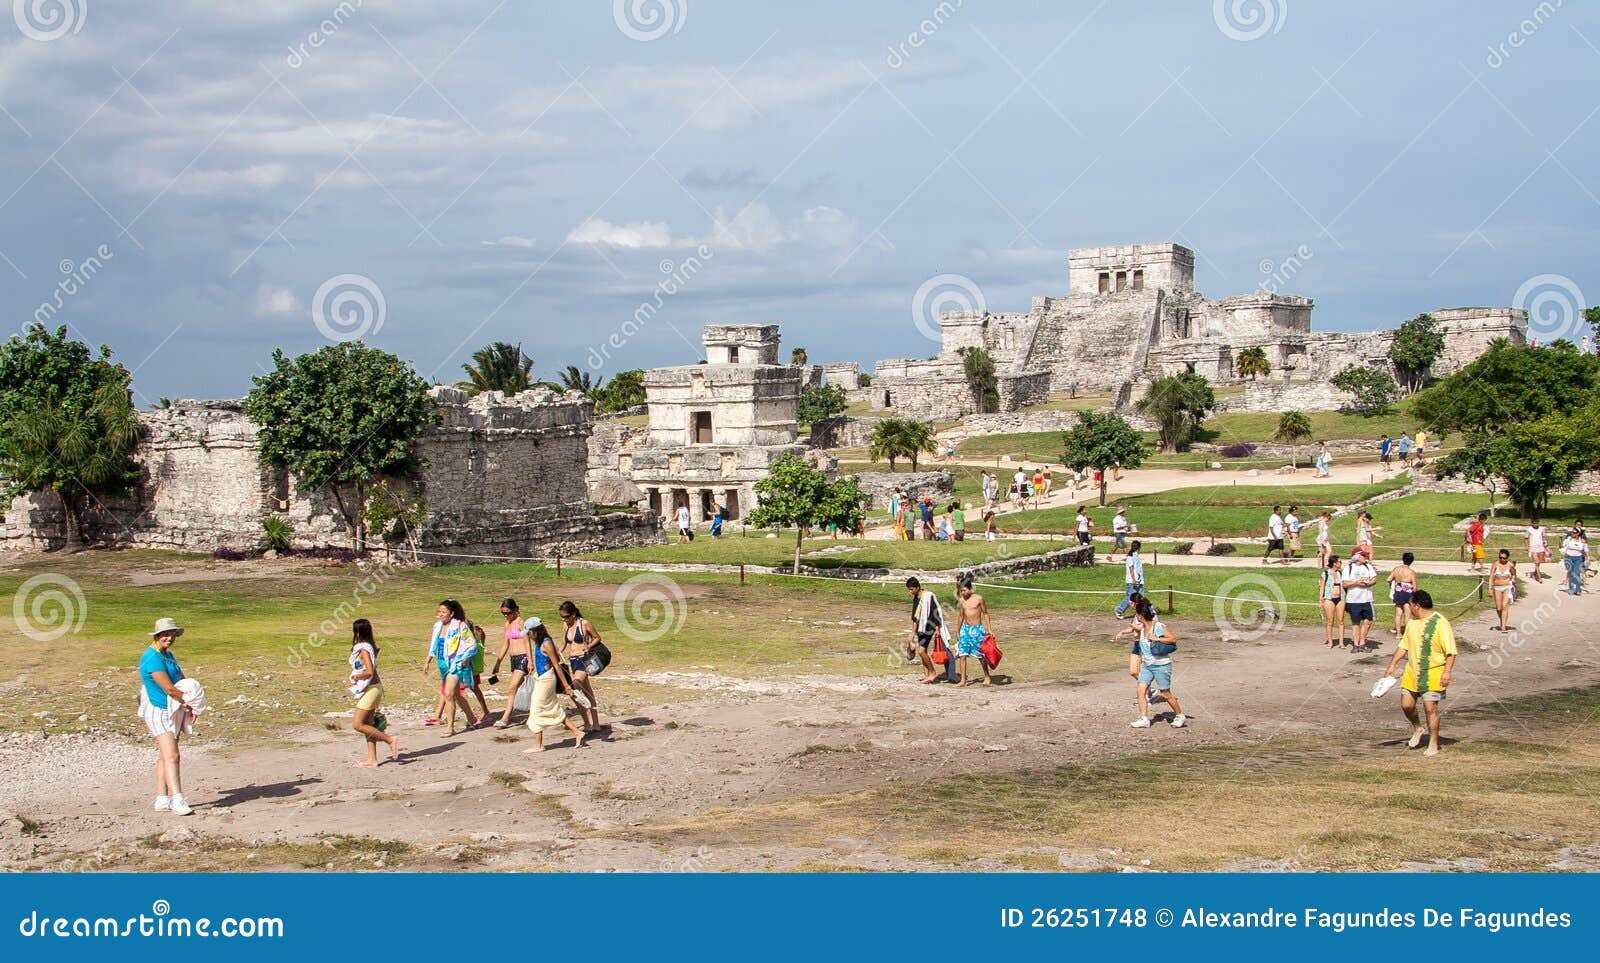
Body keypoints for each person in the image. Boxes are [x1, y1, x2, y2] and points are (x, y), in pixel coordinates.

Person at [1380, 590, 1457, 757]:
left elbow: (1451, 651)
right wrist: (1392, 664)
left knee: (1430, 708)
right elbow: (1403, 646)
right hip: (1412, 673)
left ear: (1417, 605)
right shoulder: (1412, 624)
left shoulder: (1440, 623)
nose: (1409, 607)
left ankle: (1433, 743)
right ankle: (1418, 728)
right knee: (1407, 705)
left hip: (1433, 673)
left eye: (1410, 604)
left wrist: (1447, 672)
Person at [140, 617, 193, 816]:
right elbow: (169, 689)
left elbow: (181, 679)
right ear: (157, 635)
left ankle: (162, 798)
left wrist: (189, 701)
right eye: (165, 634)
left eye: (172, 634)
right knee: (173, 755)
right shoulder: (152, 658)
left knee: (165, 755)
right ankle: (177, 798)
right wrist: (189, 702)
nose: (169, 638)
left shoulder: (167, 655)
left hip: (172, 709)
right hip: (158, 709)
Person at [521, 620, 588, 752]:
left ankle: (538, 745)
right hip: (541, 677)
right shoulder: (540, 642)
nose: (528, 635)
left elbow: (557, 665)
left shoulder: (546, 643)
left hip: (546, 680)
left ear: (535, 631)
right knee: (552, 708)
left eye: (529, 633)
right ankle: (577, 732)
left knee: (536, 708)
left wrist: (566, 686)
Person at [348, 619, 400, 767]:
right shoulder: (371, 646)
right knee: (368, 724)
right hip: (375, 688)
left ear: (357, 632)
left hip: (371, 689)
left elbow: (369, 671)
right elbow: (377, 650)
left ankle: (390, 740)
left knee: (358, 724)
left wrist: (355, 676)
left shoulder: (364, 650)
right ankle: (372, 759)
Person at [1129, 599, 1186, 729]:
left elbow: (1173, 639)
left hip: (1161, 665)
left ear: (1140, 616)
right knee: (1140, 691)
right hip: (1147, 665)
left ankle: (1179, 715)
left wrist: (1157, 638)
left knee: (1165, 693)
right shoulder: (1142, 628)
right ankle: (1144, 718)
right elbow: (1139, 638)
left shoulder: (1158, 626)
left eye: (1136, 615)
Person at [426, 600, 478, 731]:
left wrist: (465, 658)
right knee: (456, 695)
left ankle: (450, 727)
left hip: (455, 664)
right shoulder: (437, 626)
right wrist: (427, 661)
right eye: (439, 612)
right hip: (442, 664)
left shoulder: (460, 626)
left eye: (444, 612)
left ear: (451, 613)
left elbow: (472, 644)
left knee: (448, 694)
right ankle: (472, 718)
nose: (441, 614)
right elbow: (434, 645)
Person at [557, 601, 604, 731]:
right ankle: (591, 724)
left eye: (566, 616)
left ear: (573, 614)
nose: (564, 619)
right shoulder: (565, 626)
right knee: (587, 692)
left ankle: (591, 720)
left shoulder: (584, 623)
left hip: (584, 659)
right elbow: (564, 643)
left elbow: (597, 637)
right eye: (562, 617)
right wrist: (557, 652)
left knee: (575, 685)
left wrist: (588, 646)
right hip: (573, 660)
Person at [490, 598, 534, 729]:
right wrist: (498, 661)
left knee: (512, 687)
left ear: (515, 610)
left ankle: (505, 717)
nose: (506, 616)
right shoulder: (507, 624)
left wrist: (530, 661)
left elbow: (527, 642)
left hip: (522, 658)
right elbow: (505, 644)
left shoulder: (521, 622)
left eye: (508, 613)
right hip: (513, 659)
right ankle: (535, 713)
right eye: (503, 613)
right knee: (521, 688)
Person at [907, 577, 954, 684]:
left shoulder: (928, 596)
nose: (910, 592)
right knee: (923, 652)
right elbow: (915, 617)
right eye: (909, 589)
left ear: (917, 587)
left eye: (911, 589)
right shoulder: (915, 598)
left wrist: (937, 628)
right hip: (920, 628)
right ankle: (926, 676)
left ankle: (932, 673)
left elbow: (936, 612)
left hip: (929, 627)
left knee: (921, 651)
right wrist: (912, 633)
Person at [953, 574, 993, 687]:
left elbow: (985, 614)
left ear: (970, 588)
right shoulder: (962, 601)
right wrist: (958, 630)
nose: (963, 593)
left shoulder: (979, 599)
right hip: (965, 629)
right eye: (961, 591)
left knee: (980, 655)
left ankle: (987, 675)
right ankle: (963, 680)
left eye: (964, 590)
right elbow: (961, 616)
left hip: (977, 630)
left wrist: (989, 629)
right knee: (962, 654)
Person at [1341, 550, 1379, 650]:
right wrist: (1357, 583)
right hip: (1353, 600)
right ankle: (1356, 644)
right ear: (1356, 556)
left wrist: (1368, 583)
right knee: (1356, 622)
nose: (1365, 557)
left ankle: (1362, 642)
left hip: (1367, 598)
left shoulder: (1367, 566)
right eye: (1363, 556)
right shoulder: (1348, 568)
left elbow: (1374, 579)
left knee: (1368, 621)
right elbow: (1345, 584)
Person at [1387, 551, 1418, 637]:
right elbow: (1415, 587)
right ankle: (1407, 634)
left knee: (1398, 614)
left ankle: (1398, 633)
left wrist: (1395, 582)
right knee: (1407, 615)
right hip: (1408, 594)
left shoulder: (1396, 569)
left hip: (1398, 592)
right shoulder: (1411, 572)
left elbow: (1388, 579)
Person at [1319, 554, 1345, 648]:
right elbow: (1322, 587)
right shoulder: (1326, 574)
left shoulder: (1341, 573)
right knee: (1330, 621)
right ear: (1334, 563)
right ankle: (1330, 642)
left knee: (1341, 620)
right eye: (1339, 562)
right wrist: (1320, 600)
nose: (1341, 563)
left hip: (1340, 598)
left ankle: (1341, 642)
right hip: (1329, 598)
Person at [1115, 540, 1145, 619]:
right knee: (1130, 598)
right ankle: (1119, 610)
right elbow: (1131, 568)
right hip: (1132, 581)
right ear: (1139, 547)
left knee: (1141, 597)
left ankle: (1141, 612)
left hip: (1139, 581)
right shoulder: (1130, 556)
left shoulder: (1136, 556)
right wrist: (1134, 580)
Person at [1489, 549, 1516, 632]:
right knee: (1499, 607)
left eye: (1504, 558)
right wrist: (1490, 588)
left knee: (1504, 606)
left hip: (1506, 586)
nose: (1502, 559)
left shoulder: (1510, 565)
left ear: (1507, 558)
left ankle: (1503, 626)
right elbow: (1491, 577)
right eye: (1500, 557)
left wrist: (1513, 579)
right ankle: (1502, 621)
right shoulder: (1495, 564)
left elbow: (1513, 574)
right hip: (1497, 587)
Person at [1561, 526, 1587, 595]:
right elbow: (1562, 547)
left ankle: (1578, 589)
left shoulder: (1582, 541)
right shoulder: (1569, 539)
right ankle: (1571, 589)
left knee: (1577, 573)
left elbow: (1586, 550)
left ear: (1578, 533)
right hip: (1568, 558)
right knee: (1570, 573)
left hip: (1578, 558)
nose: (1572, 533)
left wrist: (1588, 558)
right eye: (1572, 532)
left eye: (1574, 532)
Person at [1526, 517, 1549, 583]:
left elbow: (1543, 538)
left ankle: (1535, 573)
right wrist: (1526, 547)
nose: (1535, 524)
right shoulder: (1529, 530)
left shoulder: (1541, 529)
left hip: (1541, 548)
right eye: (1534, 523)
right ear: (1532, 523)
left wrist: (1546, 546)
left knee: (1539, 562)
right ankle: (1539, 578)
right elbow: (1526, 538)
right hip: (1533, 548)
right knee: (1536, 562)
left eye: (1536, 523)